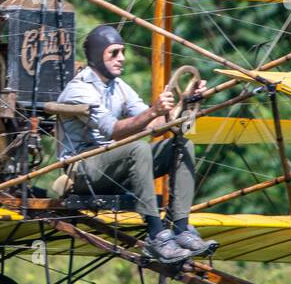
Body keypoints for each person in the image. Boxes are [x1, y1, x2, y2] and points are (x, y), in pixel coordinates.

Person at [53, 23, 216, 263]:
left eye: (123, 52)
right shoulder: (80, 89)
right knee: (137, 147)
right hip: (82, 170)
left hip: (113, 165)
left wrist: (188, 104)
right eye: (114, 53)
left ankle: (181, 228)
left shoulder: (119, 86)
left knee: (182, 145)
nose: (122, 59)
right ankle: (155, 236)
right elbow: (115, 131)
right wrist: (153, 112)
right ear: (98, 55)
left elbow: (161, 126)